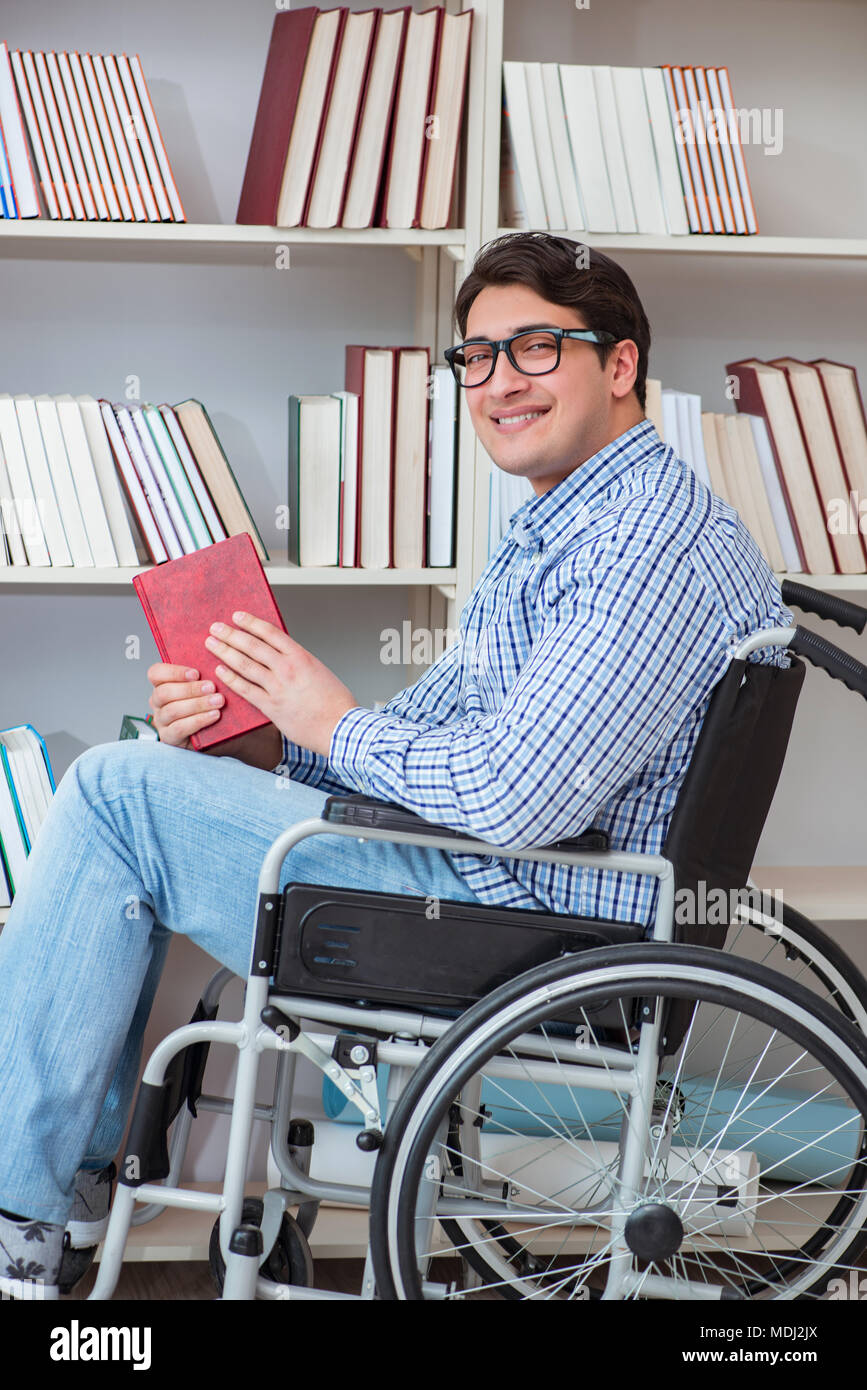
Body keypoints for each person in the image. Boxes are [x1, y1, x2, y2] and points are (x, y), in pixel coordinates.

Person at [0, 232, 790, 1299]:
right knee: (146, 784)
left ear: (620, 364)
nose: (498, 382)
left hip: (516, 921)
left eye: (535, 349)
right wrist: (270, 734)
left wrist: (325, 718)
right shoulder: (574, 519)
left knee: (109, 793)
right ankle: (60, 1189)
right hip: (496, 887)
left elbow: (513, 792)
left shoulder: (642, 539)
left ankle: (31, 1213)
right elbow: (440, 744)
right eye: (476, 357)